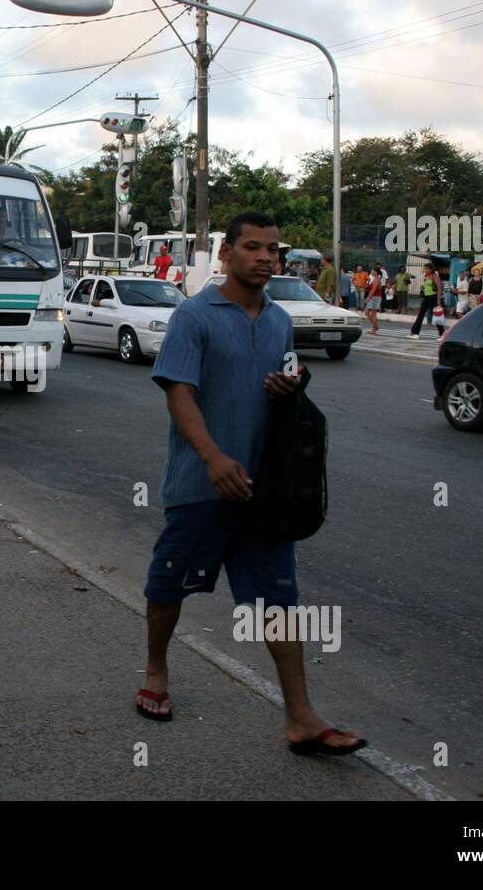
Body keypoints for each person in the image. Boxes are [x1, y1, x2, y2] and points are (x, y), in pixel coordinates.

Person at [134, 210, 366, 755]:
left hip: (267, 490)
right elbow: (178, 391)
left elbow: (289, 376)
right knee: (170, 586)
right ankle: (156, 670)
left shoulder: (282, 319)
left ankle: (301, 718)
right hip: (201, 485)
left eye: (274, 250)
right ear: (227, 254)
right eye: (254, 247)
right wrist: (213, 458)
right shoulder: (195, 316)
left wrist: (294, 382)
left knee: (278, 602)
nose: (266, 257)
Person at [408, 264, 444, 339]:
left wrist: (438, 299)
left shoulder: (434, 276)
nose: (425, 270)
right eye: (425, 269)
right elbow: (427, 286)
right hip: (426, 297)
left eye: (427, 269)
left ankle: (442, 334)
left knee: (436, 316)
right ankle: (415, 333)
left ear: (431, 269)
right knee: (420, 314)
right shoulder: (426, 276)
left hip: (433, 297)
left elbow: (439, 287)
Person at [364, 266, 384, 334]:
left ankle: (374, 329)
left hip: (375, 297)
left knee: (373, 313)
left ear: (375, 272)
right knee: (367, 312)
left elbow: (373, 290)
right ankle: (375, 326)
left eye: (372, 270)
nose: (371, 272)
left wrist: (368, 297)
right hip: (373, 297)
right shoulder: (374, 279)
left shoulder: (377, 280)